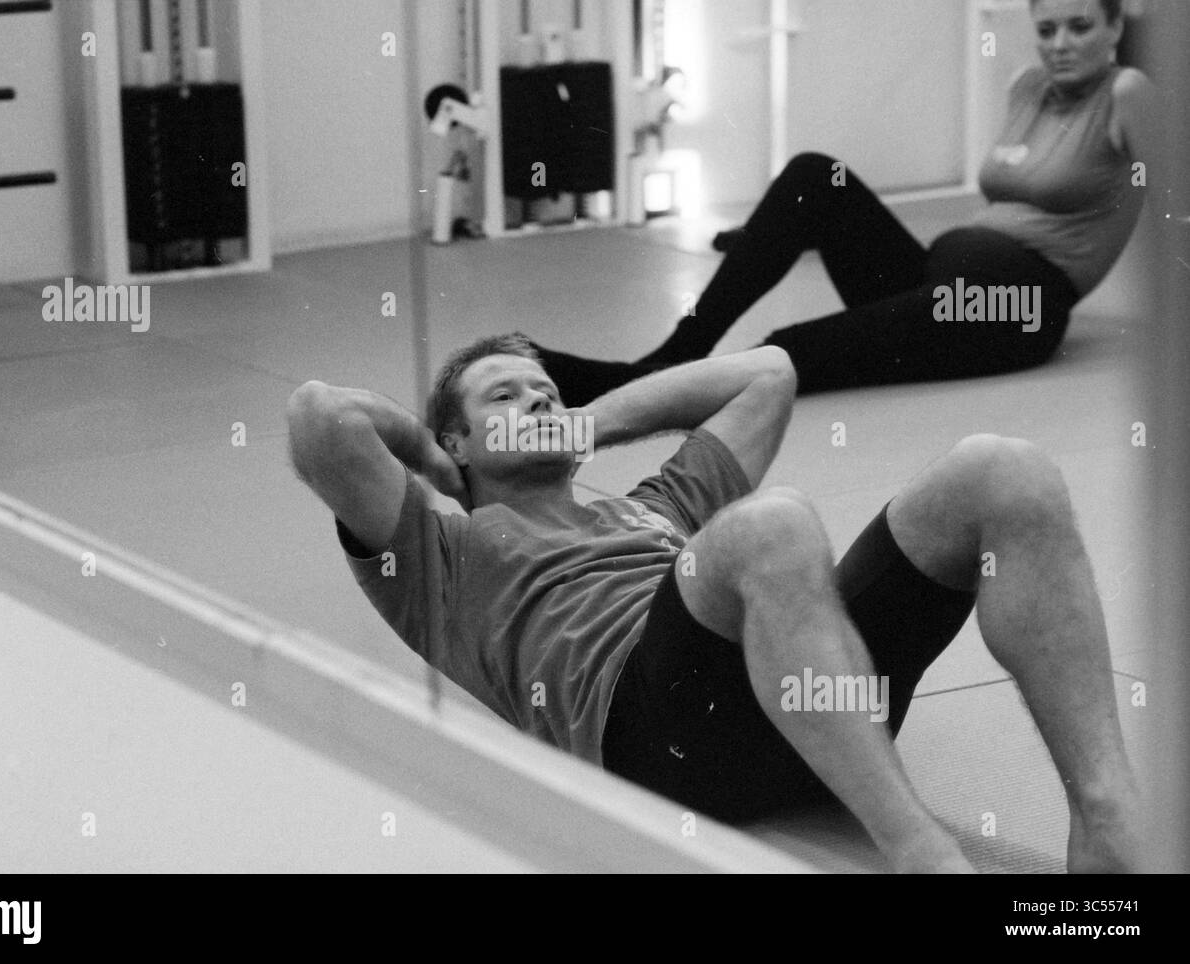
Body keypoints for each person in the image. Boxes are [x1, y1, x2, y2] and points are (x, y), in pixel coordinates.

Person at [286, 333, 1144, 873]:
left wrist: (587, 422)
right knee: (770, 526)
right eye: (504, 396)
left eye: (545, 390)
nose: (536, 400)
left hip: (805, 709)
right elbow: (320, 418)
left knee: (1003, 467)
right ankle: (923, 856)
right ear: (456, 440)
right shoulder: (444, 554)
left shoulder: (656, 506)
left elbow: (767, 374)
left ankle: (1107, 826)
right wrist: (443, 477)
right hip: (657, 748)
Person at [535, 0, 1166, 405]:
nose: (1059, 43)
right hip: (937, 278)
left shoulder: (1127, 93)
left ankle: (650, 391)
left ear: (1115, 27)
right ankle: (677, 354)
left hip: (1017, 304)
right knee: (815, 174)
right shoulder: (1027, 85)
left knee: (793, 348)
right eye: (1047, 28)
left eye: (1080, 26)